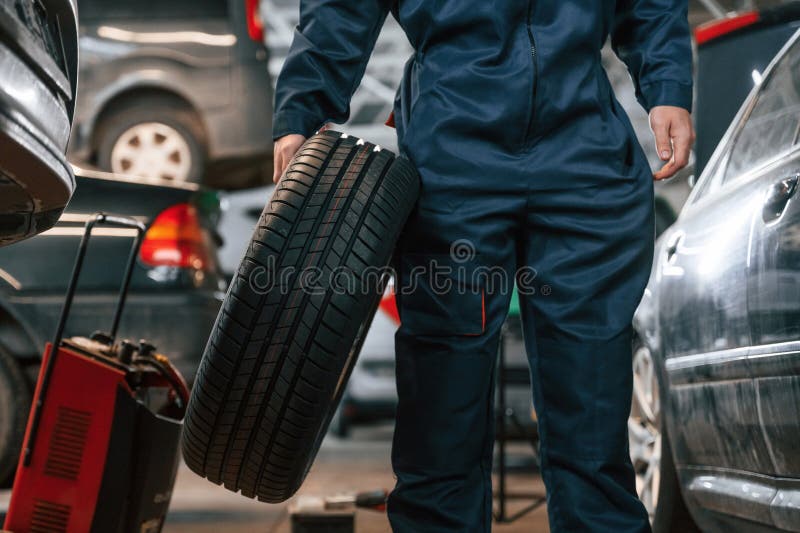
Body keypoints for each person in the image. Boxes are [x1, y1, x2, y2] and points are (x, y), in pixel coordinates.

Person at [271, 1, 694, 531]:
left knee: (592, 413)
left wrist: (668, 85)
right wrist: (301, 112)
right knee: (442, 414)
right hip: (452, 152)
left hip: (584, 151)